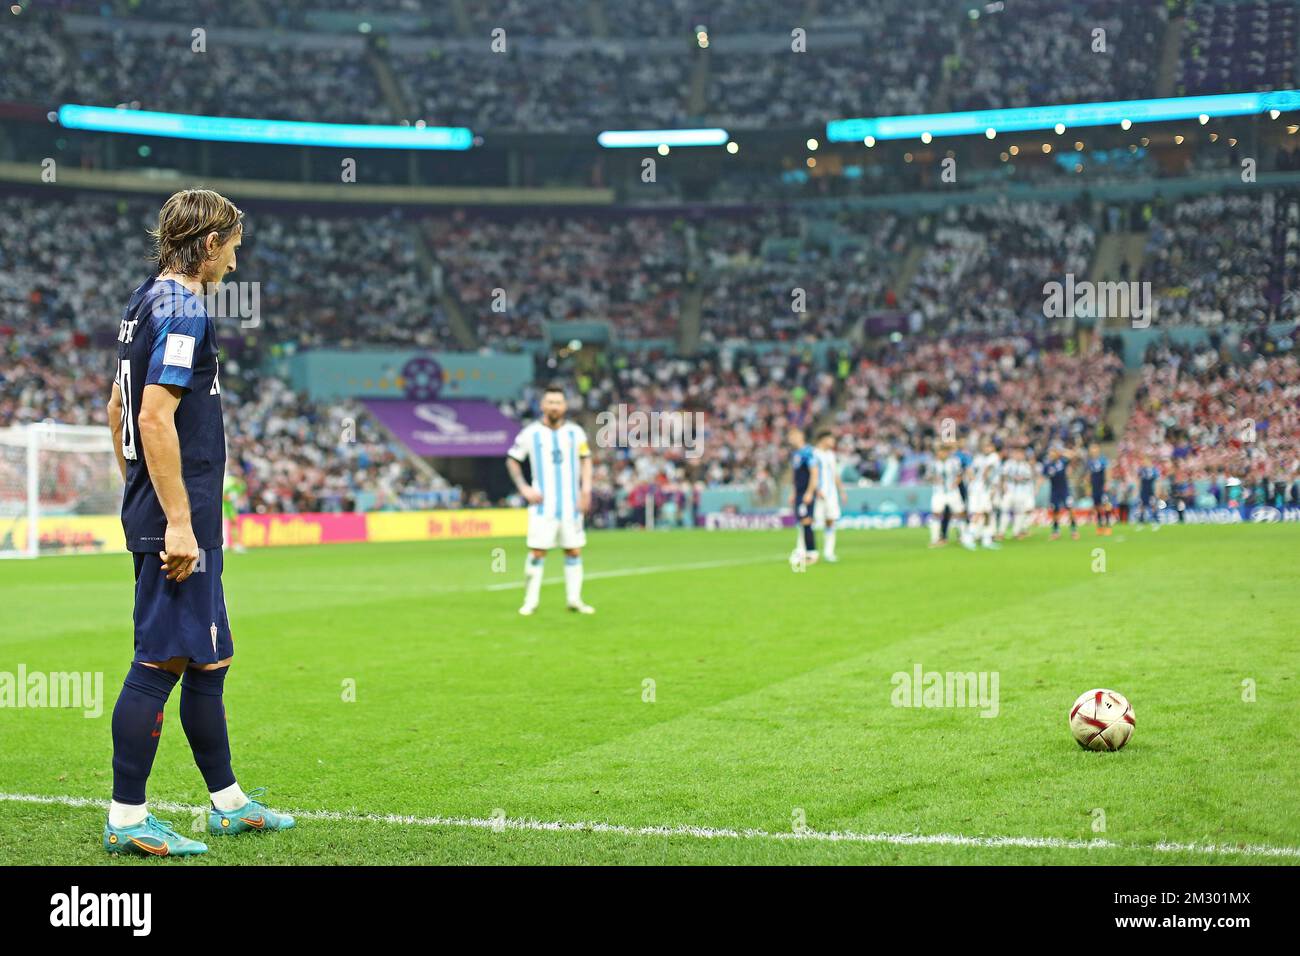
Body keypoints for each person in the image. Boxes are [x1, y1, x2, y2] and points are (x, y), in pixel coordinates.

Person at [104, 189, 294, 858]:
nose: (237, 263)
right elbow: (152, 416)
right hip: (178, 519)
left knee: (211, 657)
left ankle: (229, 804)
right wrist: (176, 521)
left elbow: (114, 408)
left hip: (167, 507)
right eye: (234, 246)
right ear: (210, 242)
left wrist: (135, 486)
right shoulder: (185, 310)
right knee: (159, 659)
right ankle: (127, 817)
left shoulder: (143, 300)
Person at [506, 385, 595, 615]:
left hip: (571, 504)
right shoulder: (530, 433)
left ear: (565, 406)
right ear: (543, 405)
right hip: (543, 505)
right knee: (537, 552)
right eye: (550, 402)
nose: (554, 406)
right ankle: (530, 601)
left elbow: (586, 460)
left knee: (574, 551)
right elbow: (512, 460)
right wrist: (523, 487)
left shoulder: (576, 433)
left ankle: (574, 599)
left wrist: (586, 490)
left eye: (558, 402)